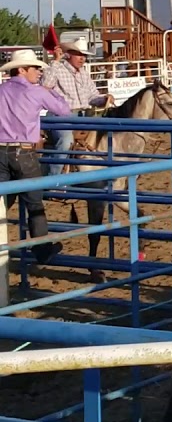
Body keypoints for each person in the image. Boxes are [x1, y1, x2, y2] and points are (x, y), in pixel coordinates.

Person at [0, 49, 72, 263]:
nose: (39, 71)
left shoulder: (1, 90)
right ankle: (41, 249)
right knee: (34, 203)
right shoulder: (36, 91)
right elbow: (63, 109)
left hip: (0, 152)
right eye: (35, 68)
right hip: (24, 152)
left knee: (2, 201)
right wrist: (51, 91)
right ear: (22, 70)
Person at [40, 37, 113, 176]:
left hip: (83, 116)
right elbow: (45, 85)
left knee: (104, 135)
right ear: (68, 54)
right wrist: (55, 61)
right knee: (66, 141)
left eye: (84, 55)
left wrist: (103, 99)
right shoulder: (57, 69)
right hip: (60, 117)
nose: (82, 58)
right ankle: (53, 179)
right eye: (79, 55)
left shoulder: (84, 74)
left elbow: (92, 96)